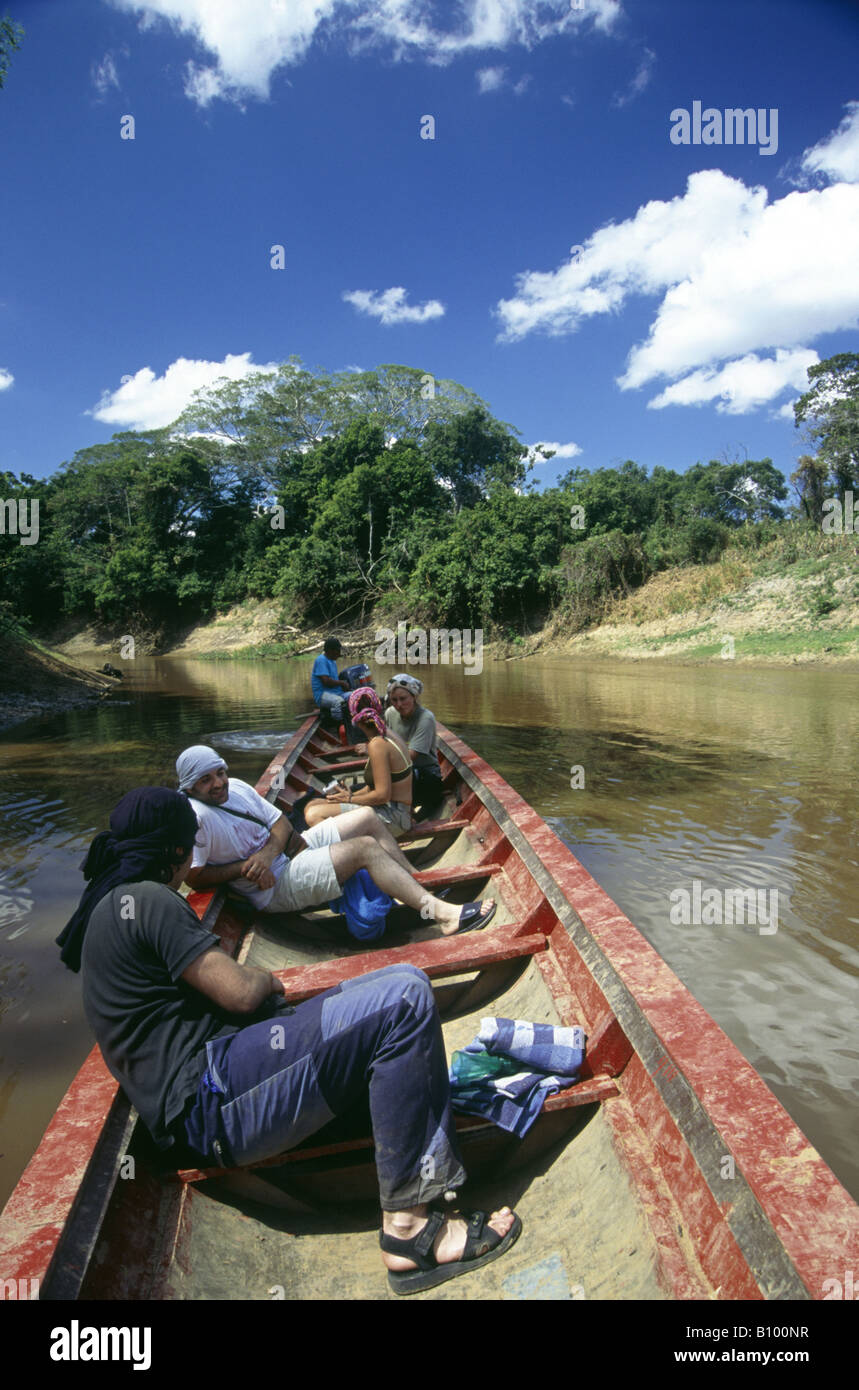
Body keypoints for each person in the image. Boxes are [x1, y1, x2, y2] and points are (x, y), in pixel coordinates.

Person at [72, 785, 520, 1294]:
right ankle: (407, 1230)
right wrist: (268, 982)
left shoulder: (117, 905)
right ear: (175, 850)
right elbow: (240, 992)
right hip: (214, 1101)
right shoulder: (147, 899)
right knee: (404, 1000)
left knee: (399, 984)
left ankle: (406, 1142)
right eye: (189, 841)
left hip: (216, 1088)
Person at [177, 743, 496, 934]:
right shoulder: (195, 817)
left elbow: (281, 826)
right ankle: (445, 916)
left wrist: (266, 853)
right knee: (365, 850)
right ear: (190, 786)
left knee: (367, 819)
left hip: (287, 853)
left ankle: (418, 891)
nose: (218, 783)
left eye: (218, 773)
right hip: (274, 885)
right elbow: (194, 875)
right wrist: (247, 867)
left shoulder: (237, 787)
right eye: (206, 780)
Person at [304, 687, 414, 840]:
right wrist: (350, 795)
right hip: (391, 810)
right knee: (313, 804)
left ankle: (352, 855)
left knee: (313, 815)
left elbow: (382, 795)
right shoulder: (386, 734)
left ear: (353, 716)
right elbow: (374, 787)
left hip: (395, 818)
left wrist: (348, 799)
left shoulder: (377, 744)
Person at [384, 674, 444, 819]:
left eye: (403, 699)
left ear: (414, 697)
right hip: (401, 772)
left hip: (425, 775)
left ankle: (409, 816)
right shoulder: (390, 713)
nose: (399, 704)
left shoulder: (425, 718)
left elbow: (410, 757)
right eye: (394, 700)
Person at [311, 637, 349, 724]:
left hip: (336, 693)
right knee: (338, 702)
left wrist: (345, 687)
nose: (339, 653)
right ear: (330, 650)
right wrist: (342, 683)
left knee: (356, 696)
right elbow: (326, 681)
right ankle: (338, 724)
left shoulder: (333, 661)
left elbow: (334, 681)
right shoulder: (321, 660)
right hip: (322, 695)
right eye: (337, 650)